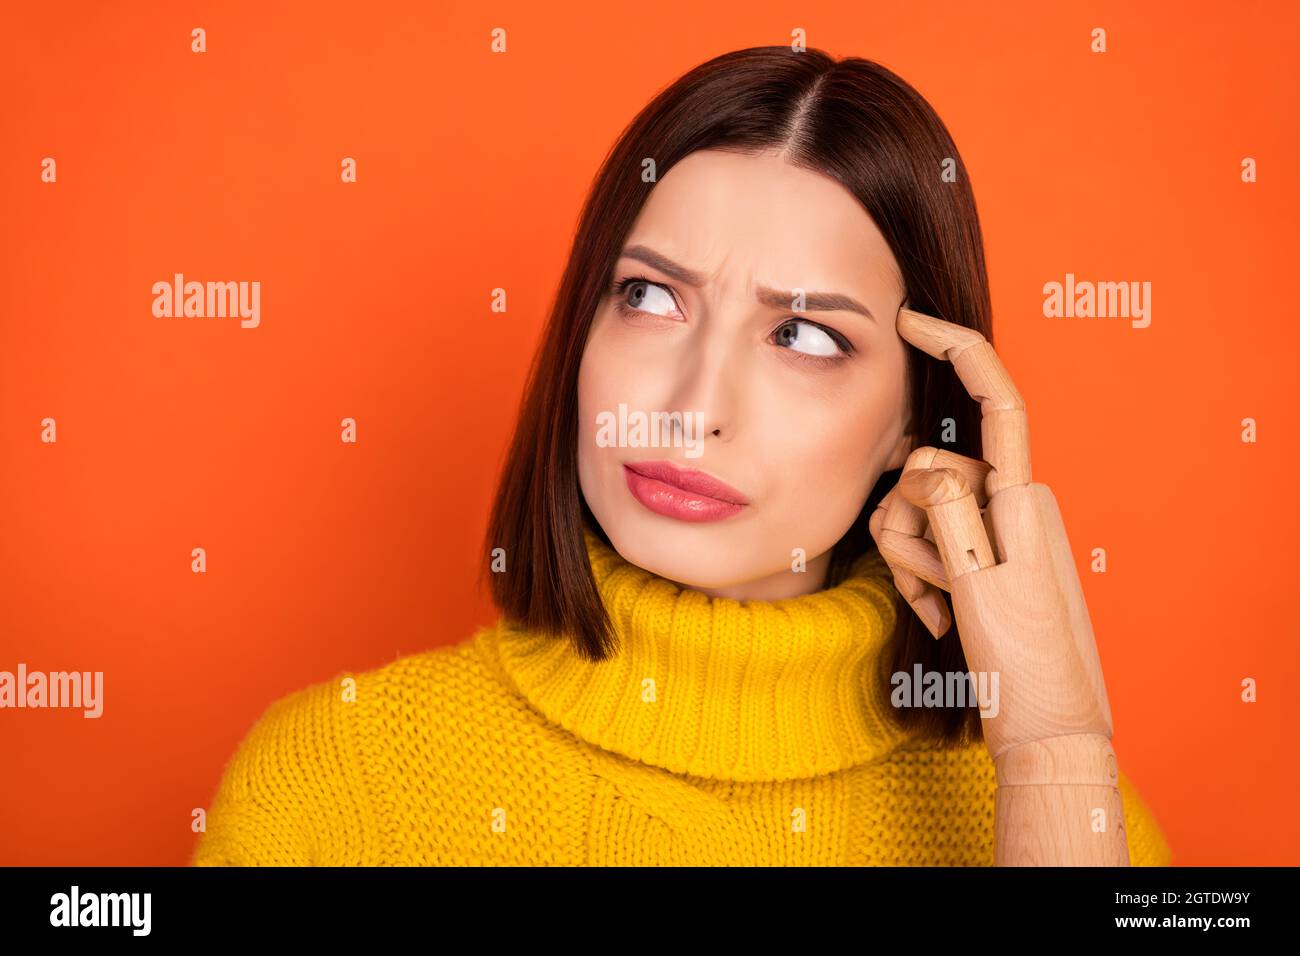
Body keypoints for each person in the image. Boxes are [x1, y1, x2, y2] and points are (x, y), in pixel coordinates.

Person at [192, 46, 1172, 866]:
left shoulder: (1078, 815)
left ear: (913, 424)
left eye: (804, 336)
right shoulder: (334, 782)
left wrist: (1052, 755)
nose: (691, 408)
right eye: (650, 297)